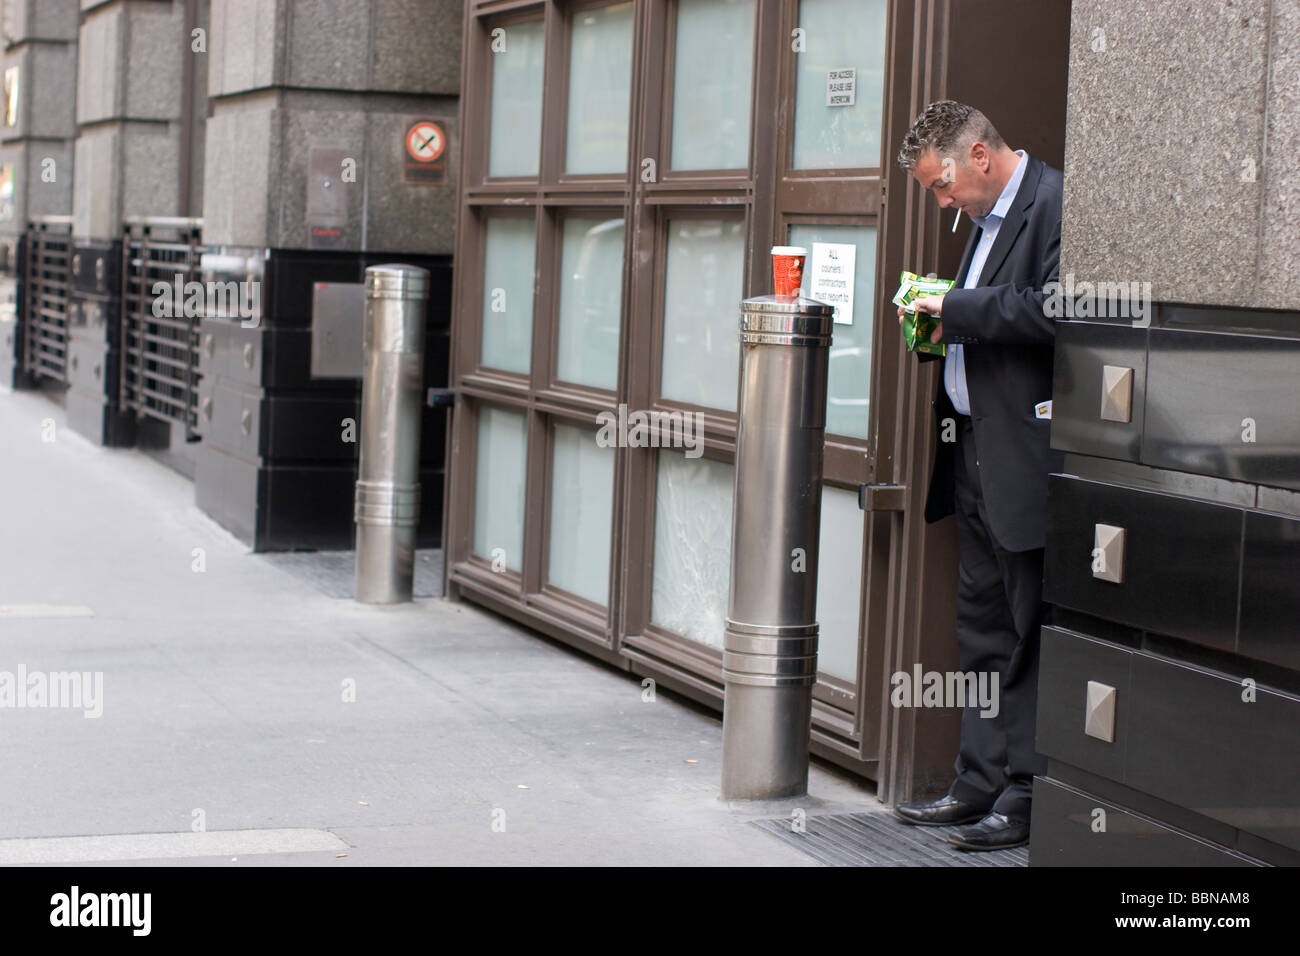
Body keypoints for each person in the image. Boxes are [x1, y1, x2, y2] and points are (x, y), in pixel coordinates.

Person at [890, 100, 1064, 851]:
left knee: (1028, 629)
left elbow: (1059, 309)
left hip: (1023, 458)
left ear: (982, 158)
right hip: (972, 456)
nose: (942, 201)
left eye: (942, 185)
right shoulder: (982, 219)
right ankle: (977, 780)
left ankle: (1023, 797)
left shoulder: (1056, 202)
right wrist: (938, 320)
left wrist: (956, 306)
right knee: (982, 627)